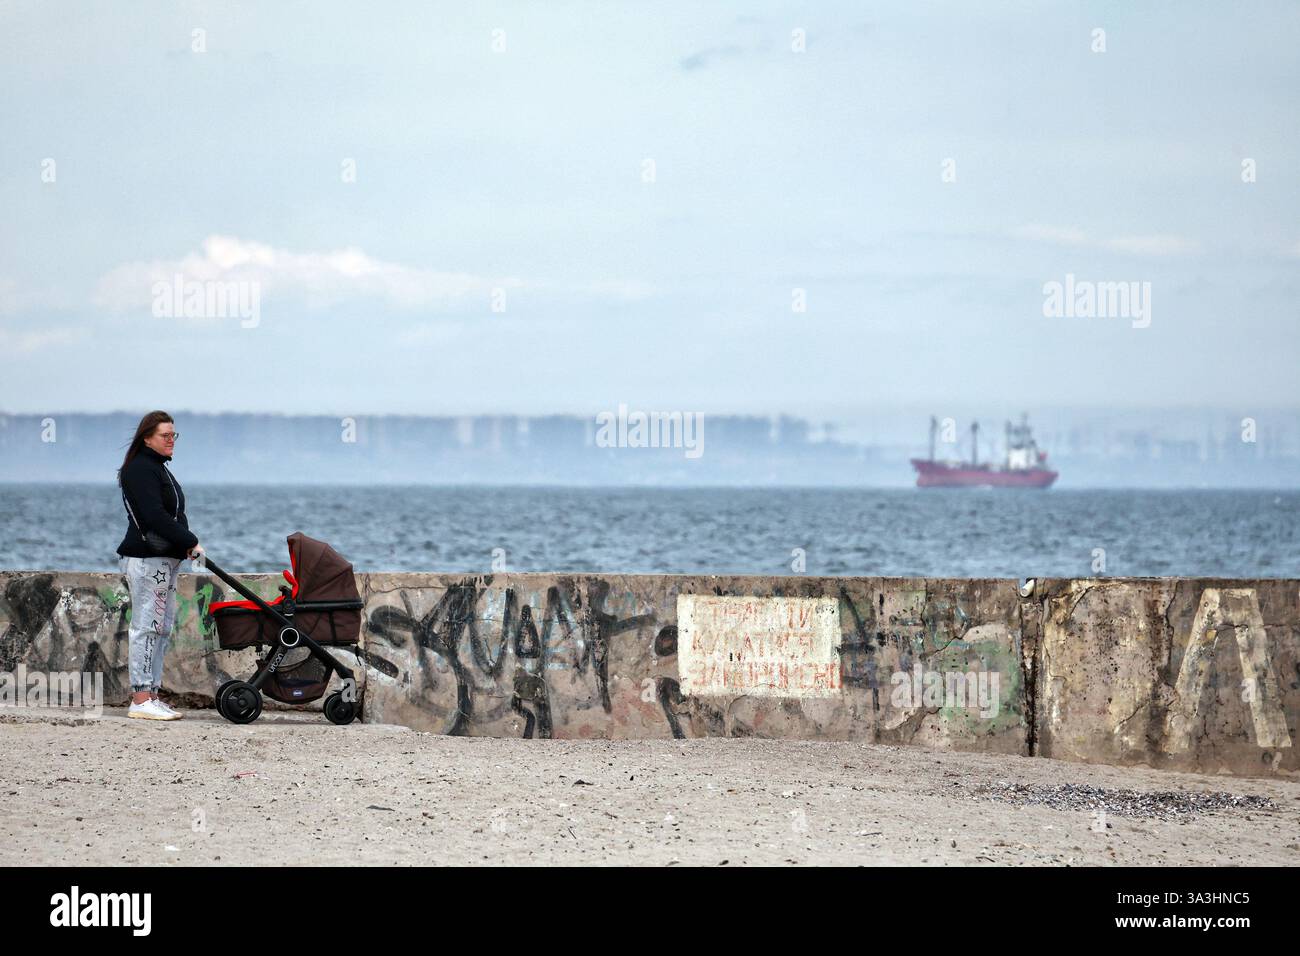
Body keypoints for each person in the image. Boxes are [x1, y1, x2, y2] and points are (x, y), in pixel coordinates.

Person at [116, 411, 203, 721]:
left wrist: (183, 545)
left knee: (162, 628)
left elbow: (170, 516)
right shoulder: (140, 470)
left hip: (164, 562)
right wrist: (190, 540)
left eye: (173, 435)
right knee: (146, 627)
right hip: (146, 560)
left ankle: (152, 693)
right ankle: (140, 698)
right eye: (165, 435)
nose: (171, 441)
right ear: (147, 438)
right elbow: (154, 517)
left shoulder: (157, 469)